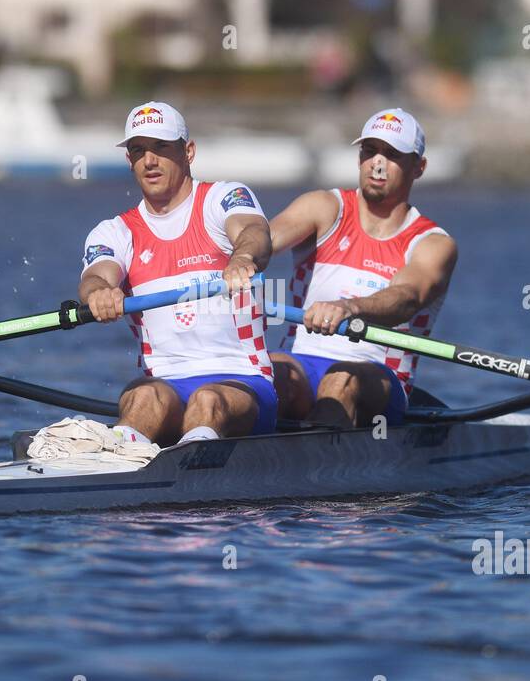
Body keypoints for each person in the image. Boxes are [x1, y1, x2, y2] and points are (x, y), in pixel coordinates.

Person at [78, 101, 276, 446]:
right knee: (141, 400)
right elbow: (96, 276)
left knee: (207, 400)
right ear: (129, 161)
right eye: (138, 151)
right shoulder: (114, 231)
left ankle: (188, 473)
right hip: (165, 384)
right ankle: (110, 463)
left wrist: (242, 257)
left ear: (189, 151)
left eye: (161, 148)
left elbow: (254, 233)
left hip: (243, 381)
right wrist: (99, 293)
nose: (149, 161)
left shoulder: (222, 198)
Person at [269, 108, 458, 427]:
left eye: (392, 154)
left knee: (340, 380)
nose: (378, 164)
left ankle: (320, 462)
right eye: (370, 151)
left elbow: (406, 297)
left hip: (378, 379)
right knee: (262, 373)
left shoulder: (432, 244)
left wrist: (349, 307)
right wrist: (239, 259)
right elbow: (264, 240)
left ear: (419, 167)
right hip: (301, 364)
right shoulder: (324, 207)